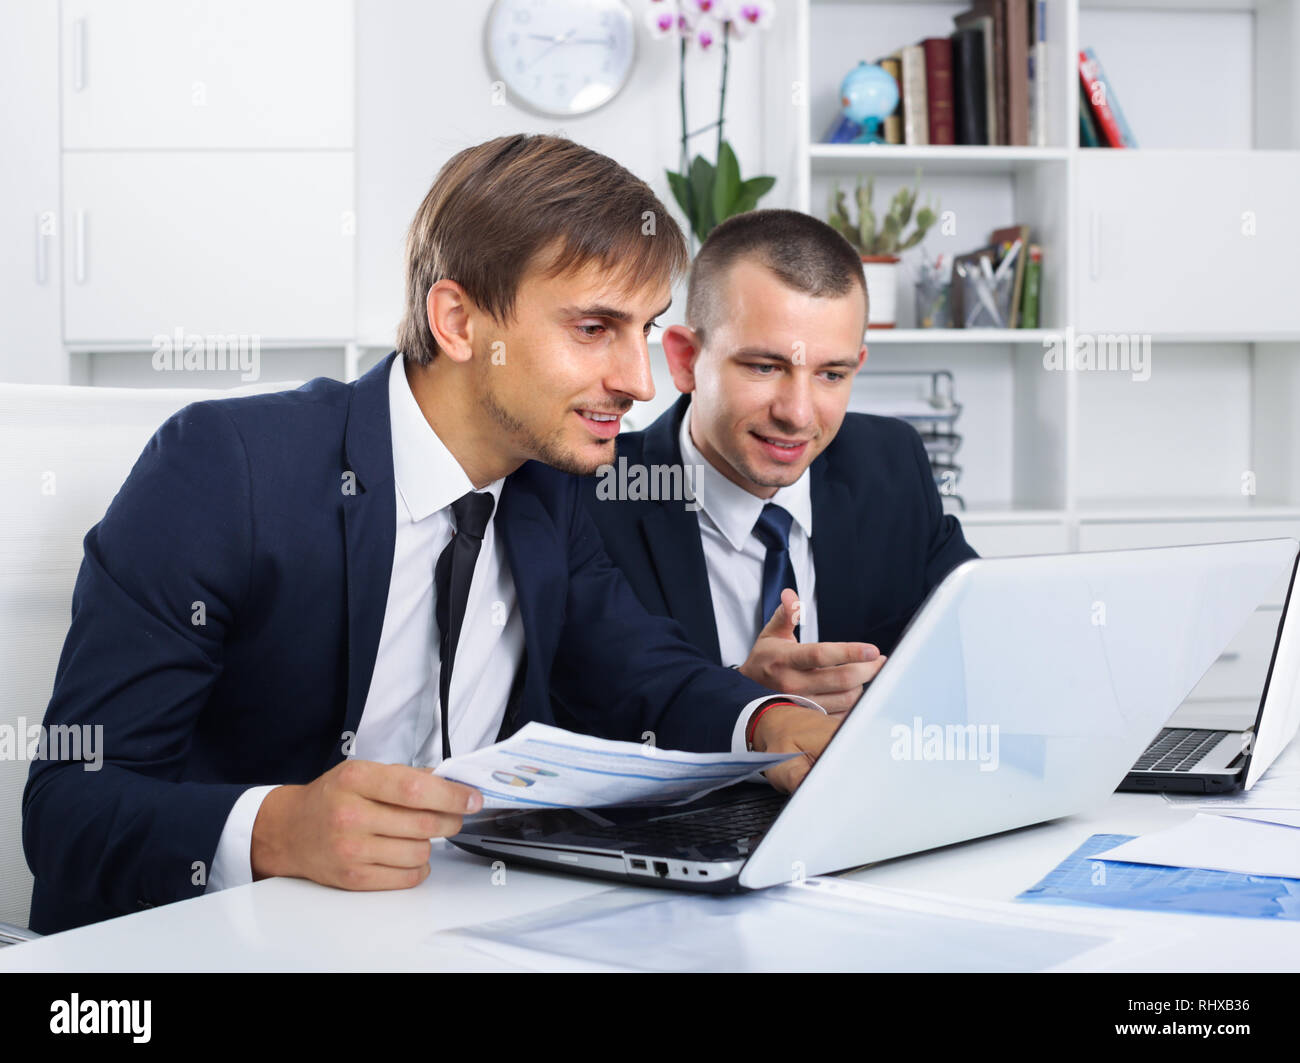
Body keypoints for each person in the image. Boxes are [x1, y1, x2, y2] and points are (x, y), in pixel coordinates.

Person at [23, 136, 837, 934]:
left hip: (442, 927)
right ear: (456, 321)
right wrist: (279, 828)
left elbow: (640, 669)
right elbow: (68, 803)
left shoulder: (547, 482)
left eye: (644, 328)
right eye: (594, 328)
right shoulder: (223, 467)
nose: (638, 381)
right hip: (208, 944)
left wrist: (771, 720)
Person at [580, 209, 977, 715]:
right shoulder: (592, 494)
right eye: (765, 367)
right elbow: (578, 711)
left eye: (831, 374)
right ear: (684, 360)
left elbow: (978, 638)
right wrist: (743, 699)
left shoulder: (892, 462)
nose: (797, 414)